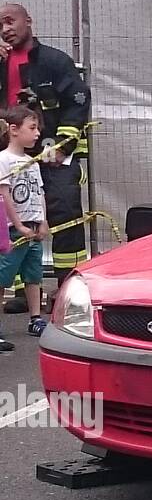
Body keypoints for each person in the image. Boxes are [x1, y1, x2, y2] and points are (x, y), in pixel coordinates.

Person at [0, 2, 90, 304]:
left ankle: (70, 292)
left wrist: (62, 147)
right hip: (14, 161)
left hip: (55, 160)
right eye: (0, 26)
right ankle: (29, 294)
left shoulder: (54, 61)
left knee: (65, 218)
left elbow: (78, 102)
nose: (5, 30)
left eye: (10, 22)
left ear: (29, 21)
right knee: (17, 222)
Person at [0, 106, 50, 342]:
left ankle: (36, 319)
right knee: (2, 276)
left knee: (34, 275)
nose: (37, 133)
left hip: (33, 227)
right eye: (32, 128)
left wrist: (43, 221)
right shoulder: (4, 160)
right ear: (13, 130)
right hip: (12, 229)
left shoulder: (33, 161)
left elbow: (39, 193)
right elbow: (5, 195)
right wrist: (18, 225)